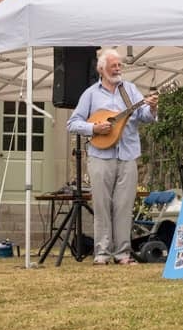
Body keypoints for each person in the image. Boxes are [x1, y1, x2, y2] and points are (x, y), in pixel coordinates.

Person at [67, 48, 158, 265]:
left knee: (124, 206)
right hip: (100, 155)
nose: (117, 69)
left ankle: (123, 253)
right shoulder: (91, 94)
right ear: (102, 69)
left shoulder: (131, 90)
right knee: (101, 205)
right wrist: (93, 129)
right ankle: (102, 253)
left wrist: (152, 108)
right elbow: (72, 123)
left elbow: (143, 117)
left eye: (119, 65)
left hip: (128, 155)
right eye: (113, 66)